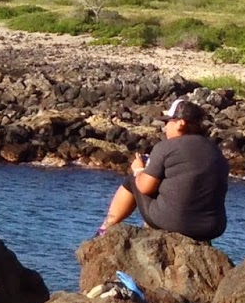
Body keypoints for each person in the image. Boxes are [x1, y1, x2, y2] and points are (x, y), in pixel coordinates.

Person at [97, 97, 227, 241]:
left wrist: (139, 170)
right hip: (212, 228)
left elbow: (145, 188)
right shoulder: (215, 151)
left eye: (168, 122)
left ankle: (104, 230)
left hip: (175, 223)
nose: (165, 127)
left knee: (133, 181)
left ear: (180, 123)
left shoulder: (166, 147)